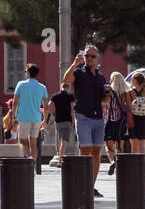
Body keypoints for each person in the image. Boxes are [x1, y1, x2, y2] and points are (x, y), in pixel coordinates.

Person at [61, 44, 107, 193]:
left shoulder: (101, 76)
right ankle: (82, 185)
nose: (89, 59)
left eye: (92, 56)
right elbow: (66, 80)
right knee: (85, 150)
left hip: (99, 117)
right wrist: (74, 64)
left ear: (97, 58)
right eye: (87, 56)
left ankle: (90, 187)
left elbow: (103, 100)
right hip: (83, 116)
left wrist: (108, 96)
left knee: (96, 152)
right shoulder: (79, 72)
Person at [11, 63, 50, 173]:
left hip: (24, 117)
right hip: (37, 118)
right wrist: (45, 121)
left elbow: (15, 102)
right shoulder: (42, 87)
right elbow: (46, 107)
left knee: (22, 141)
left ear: (28, 73)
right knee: (33, 143)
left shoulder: (21, 84)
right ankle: (32, 166)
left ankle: (29, 161)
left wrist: (14, 116)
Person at [103, 72, 130, 174]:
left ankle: (112, 161)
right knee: (120, 145)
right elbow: (128, 107)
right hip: (122, 121)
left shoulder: (109, 92)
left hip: (110, 121)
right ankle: (121, 166)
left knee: (108, 145)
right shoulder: (126, 92)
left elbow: (104, 103)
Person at [126, 73, 145, 156]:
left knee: (134, 148)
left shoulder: (129, 93)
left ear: (135, 80)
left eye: (132, 79)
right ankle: (142, 168)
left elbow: (129, 108)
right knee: (142, 149)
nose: (131, 81)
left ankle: (134, 168)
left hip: (134, 121)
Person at [49, 82, 76, 167]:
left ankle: (59, 156)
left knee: (60, 139)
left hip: (58, 121)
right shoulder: (70, 96)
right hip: (67, 120)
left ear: (61, 87)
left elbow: (49, 105)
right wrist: (73, 120)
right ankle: (60, 160)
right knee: (64, 141)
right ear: (68, 88)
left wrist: (53, 113)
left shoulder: (55, 96)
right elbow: (72, 110)